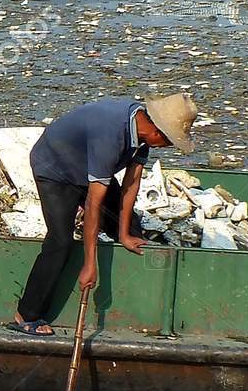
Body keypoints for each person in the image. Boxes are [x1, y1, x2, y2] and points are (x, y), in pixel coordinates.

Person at [11, 94, 199, 335]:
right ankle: (26, 315)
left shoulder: (142, 132)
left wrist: (123, 233)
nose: (168, 146)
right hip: (57, 170)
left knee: (133, 229)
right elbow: (93, 204)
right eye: (169, 141)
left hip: (90, 168)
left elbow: (132, 183)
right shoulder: (110, 135)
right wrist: (90, 265)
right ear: (156, 131)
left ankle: (127, 305)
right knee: (60, 241)